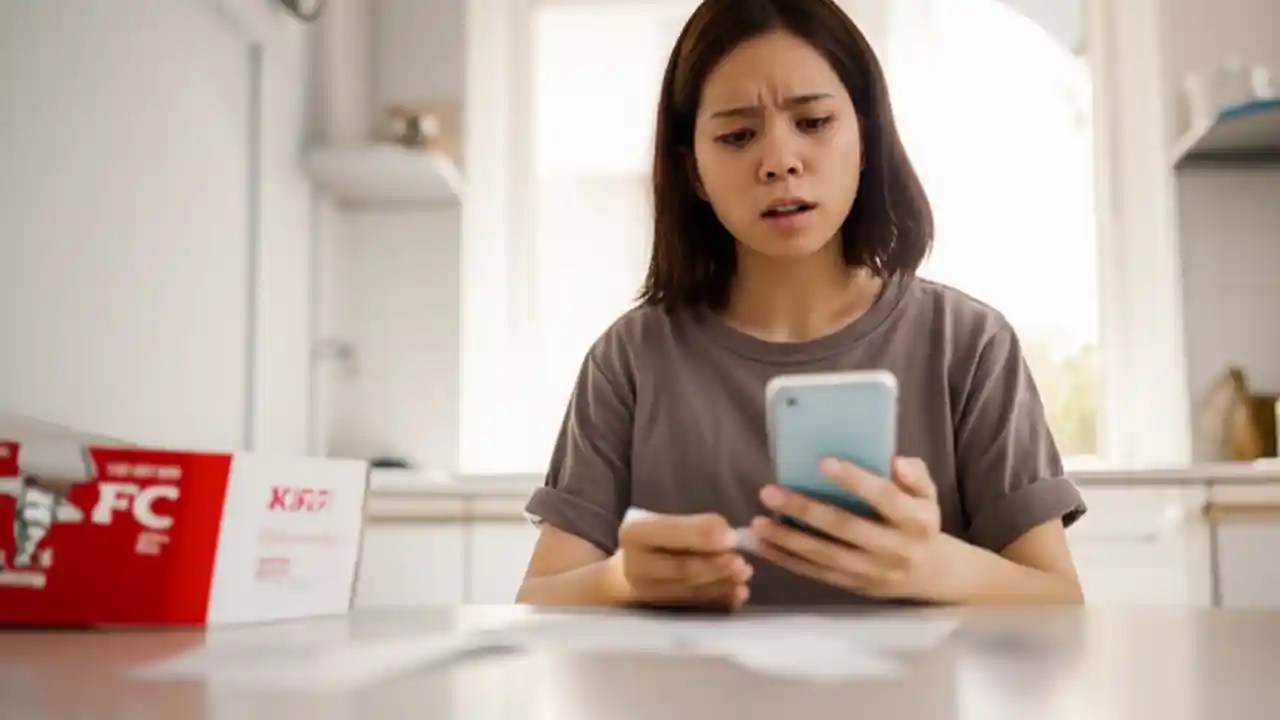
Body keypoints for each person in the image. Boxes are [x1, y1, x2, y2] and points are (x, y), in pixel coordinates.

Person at [516, 0, 1087, 609]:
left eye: (813, 123)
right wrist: (622, 580)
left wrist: (936, 566)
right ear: (696, 174)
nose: (780, 162)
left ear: (866, 137)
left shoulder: (969, 344)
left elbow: (1059, 598)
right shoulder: (629, 359)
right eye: (738, 136)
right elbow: (536, 599)